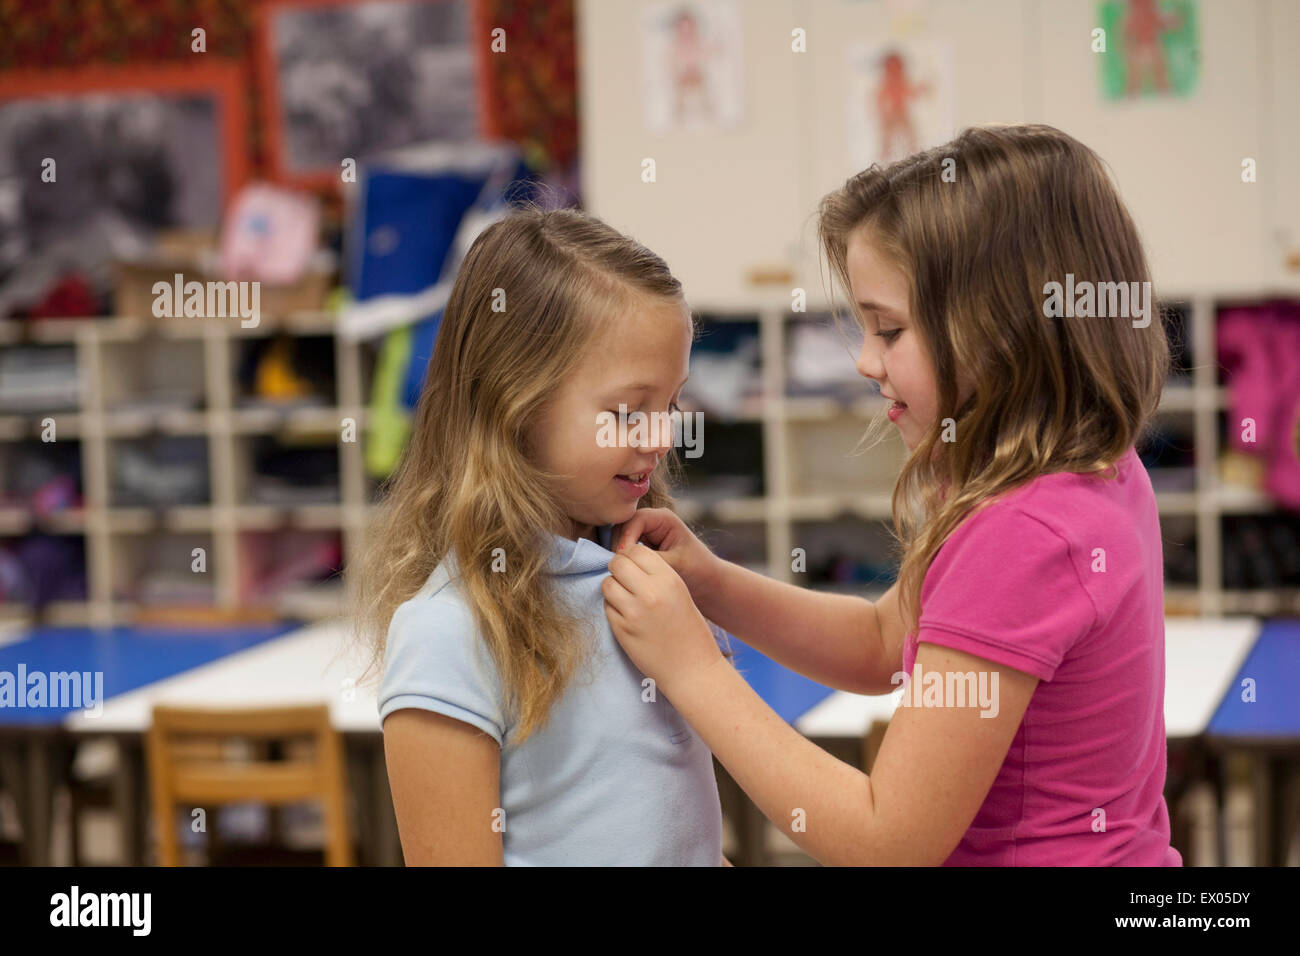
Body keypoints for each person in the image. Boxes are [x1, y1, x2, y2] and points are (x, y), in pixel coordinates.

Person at [605, 124, 1182, 865]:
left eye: (889, 329)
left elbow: (886, 842)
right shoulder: (1091, 472)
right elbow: (886, 645)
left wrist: (692, 672)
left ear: (1002, 327)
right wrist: (711, 586)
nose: (866, 361)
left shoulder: (1024, 531)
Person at [353, 206, 726, 864]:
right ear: (514, 404)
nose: (663, 437)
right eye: (627, 410)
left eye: (670, 405)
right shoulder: (448, 632)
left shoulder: (649, 583)